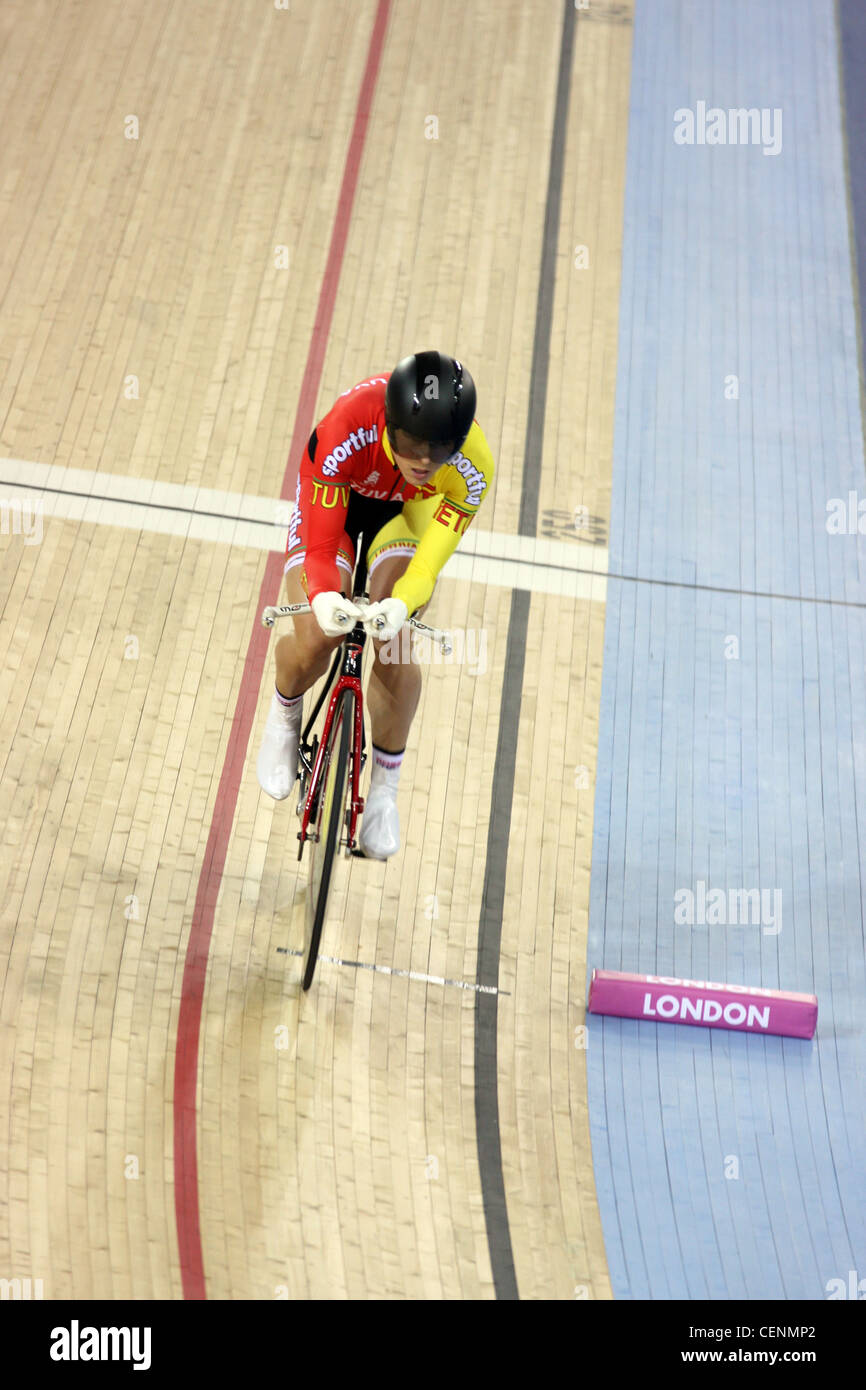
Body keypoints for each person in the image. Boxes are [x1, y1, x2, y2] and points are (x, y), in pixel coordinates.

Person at [257, 350, 495, 859]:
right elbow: (320, 552)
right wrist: (322, 598)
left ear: (461, 442)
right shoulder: (346, 429)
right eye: (412, 442)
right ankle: (282, 717)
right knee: (318, 634)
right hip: (337, 503)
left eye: (441, 448)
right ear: (388, 422)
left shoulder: (473, 468)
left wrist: (401, 604)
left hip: (408, 516)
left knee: (394, 641)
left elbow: (425, 568)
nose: (425, 460)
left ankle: (384, 792)